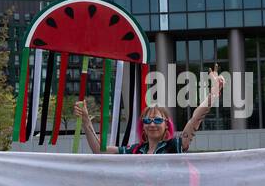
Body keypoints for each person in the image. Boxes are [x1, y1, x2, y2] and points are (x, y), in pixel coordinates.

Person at [75, 66, 225, 154]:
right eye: (147, 120)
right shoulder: (135, 150)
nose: (152, 124)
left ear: (167, 124)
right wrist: (86, 121)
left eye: (158, 120)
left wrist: (214, 93)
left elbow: (195, 119)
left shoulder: (175, 146)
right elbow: (99, 151)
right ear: (143, 126)